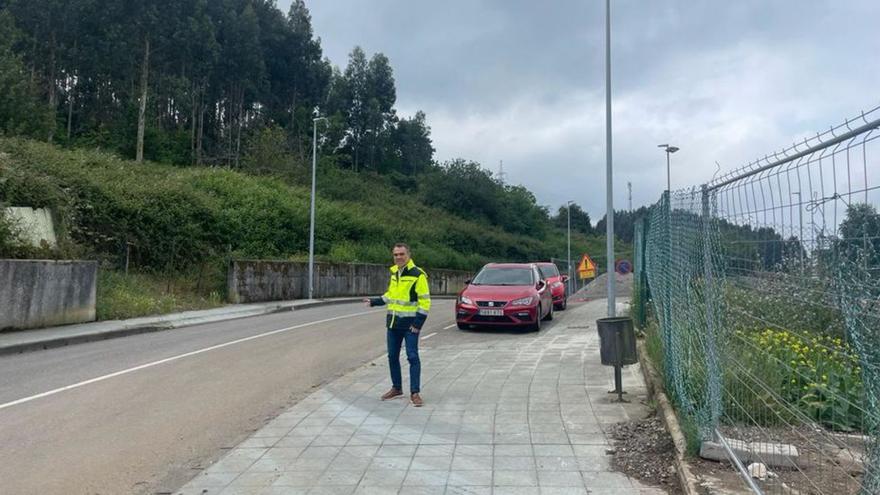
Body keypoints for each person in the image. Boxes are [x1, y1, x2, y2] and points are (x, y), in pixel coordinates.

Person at [363, 243, 431, 407]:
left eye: (401, 254)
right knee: (392, 357)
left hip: (410, 326)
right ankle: (397, 388)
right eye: (395, 254)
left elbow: (425, 301)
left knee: (412, 357)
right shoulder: (395, 273)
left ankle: (415, 392)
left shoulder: (418, 275)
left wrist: (418, 324)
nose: (398, 257)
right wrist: (374, 302)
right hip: (393, 323)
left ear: (408, 255)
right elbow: (391, 295)